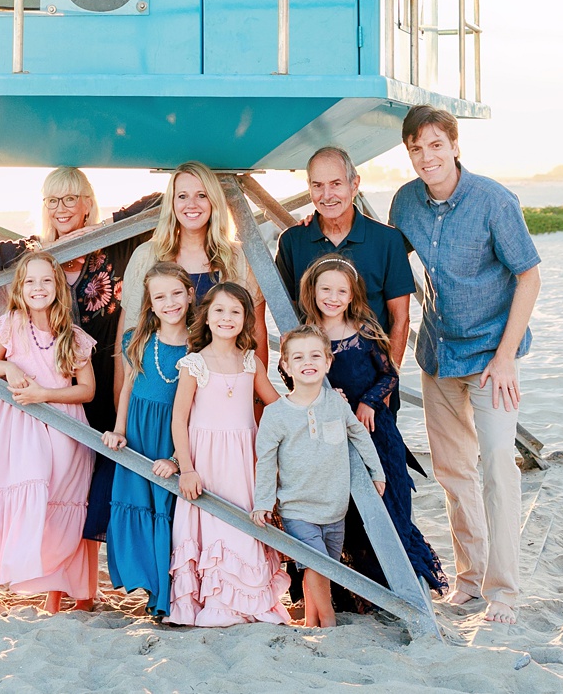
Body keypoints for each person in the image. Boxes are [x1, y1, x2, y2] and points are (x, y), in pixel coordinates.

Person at [389, 105, 542, 626]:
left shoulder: (494, 200)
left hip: (491, 359)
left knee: (499, 463)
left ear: (454, 145)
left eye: (436, 145)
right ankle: (471, 579)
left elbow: (529, 277)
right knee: (454, 472)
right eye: (416, 148)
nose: (426, 157)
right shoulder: (405, 202)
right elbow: (389, 267)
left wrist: (505, 359)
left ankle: (504, 590)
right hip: (437, 355)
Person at [0, 167, 134, 604]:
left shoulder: (111, 250)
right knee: (46, 488)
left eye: (72, 199)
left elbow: (149, 207)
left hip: (99, 382)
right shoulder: (35, 257)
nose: (62, 208)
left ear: (88, 203)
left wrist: (102, 226)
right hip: (42, 389)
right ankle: (50, 586)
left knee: (83, 493)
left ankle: (81, 588)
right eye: (53, 200)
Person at [0, 252, 98, 613]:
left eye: (46, 280)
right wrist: (8, 368)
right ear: (20, 288)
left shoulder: (74, 336)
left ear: (58, 287)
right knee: (34, 500)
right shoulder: (12, 324)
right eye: (31, 281)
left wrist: (45, 395)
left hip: (65, 428)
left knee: (63, 507)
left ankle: (70, 596)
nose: (39, 287)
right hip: (20, 429)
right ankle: (35, 583)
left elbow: (87, 390)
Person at [296, 255, 447, 596]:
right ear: (312, 291)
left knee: (390, 503)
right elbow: (288, 372)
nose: (333, 297)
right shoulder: (307, 337)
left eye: (341, 291)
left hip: (376, 431)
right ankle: (365, 590)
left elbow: (389, 373)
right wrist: (320, 390)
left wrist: (369, 401)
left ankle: (407, 585)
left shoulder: (364, 330)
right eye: (326, 289)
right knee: (349, 515)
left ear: (352, 295)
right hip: (334, 439)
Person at [166, 282, 289, 627]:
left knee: (244, 525)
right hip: (205, 459)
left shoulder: (250, 362)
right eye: (219, 310)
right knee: (211, 525)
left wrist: (317, 403)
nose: (226, 318)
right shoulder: (193, 363)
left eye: (235, 311)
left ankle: (250, 601)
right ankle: (215, 602)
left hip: (244, 458)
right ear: (206, 317)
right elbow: (179, 419)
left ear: (246, 319)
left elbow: (276, 406)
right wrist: (186, 468)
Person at [253, 325, 387, 628]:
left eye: (315, 355)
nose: (307, 362)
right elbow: (265, 461)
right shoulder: (276, 414)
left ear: (328, 362)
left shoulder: (336, 404)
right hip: (297, 507)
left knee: (326, 565)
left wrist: (376, 472)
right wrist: (262, 501)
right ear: (286, 366)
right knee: (317, 565)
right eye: (298, 357)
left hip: (334, 507)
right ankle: (328, 622)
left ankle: (312, 621)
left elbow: (360, 436)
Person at [101, 263, 195, 618]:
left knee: (167, 514)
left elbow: (196, 413)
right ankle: (150, 592)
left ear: (189, 294)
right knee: (137, 505)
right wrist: (119, 430)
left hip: (172, 438)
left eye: (175, 293)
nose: (169, 302)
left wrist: (175, 456)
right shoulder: (136, 340)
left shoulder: (199, 346)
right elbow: (127, 389)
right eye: (160, 297)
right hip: (138, 436)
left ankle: (166, 598)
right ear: (151, 304)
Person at [275, 146, 418, 366]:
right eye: (318, 186)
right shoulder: (292, 242)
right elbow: (289, 319)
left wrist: (388, 383)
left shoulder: (388, 240)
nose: (326, 195)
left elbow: (400, 320)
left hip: (374, 382)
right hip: (315, 383)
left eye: (336, 184)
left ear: (354, 185)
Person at [119, 162, 258, 352]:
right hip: (158, 377)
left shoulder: (238, 258)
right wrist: (122, 383)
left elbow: (255, 330)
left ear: (213, 201)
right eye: (182, 196)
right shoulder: (145, 256)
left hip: (219, 377)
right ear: (172, 203)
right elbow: (128, 332)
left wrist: (254, 381)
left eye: (201, 195)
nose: (191, 204)